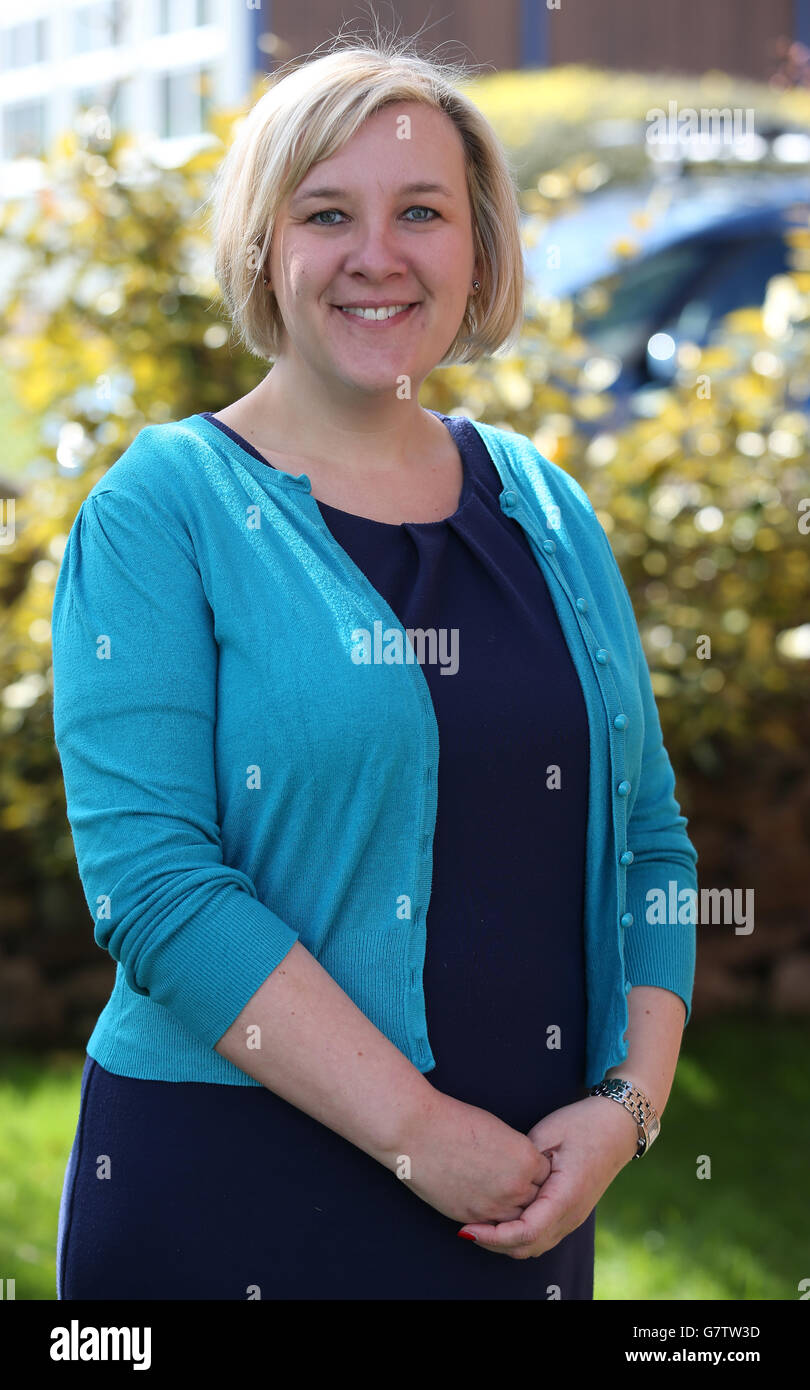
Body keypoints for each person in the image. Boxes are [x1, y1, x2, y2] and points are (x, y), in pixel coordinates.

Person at [51, 33, 697, 1301]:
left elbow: (652, 842)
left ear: (479, 248)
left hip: (522, 1201)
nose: (377, 255)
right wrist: (423, 1134)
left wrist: (630, 1104)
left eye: (423, 212)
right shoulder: (161, 509)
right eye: (327, 212)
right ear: (264, 247)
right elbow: (157, 889)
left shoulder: (548, 507)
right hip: (228, 1200)